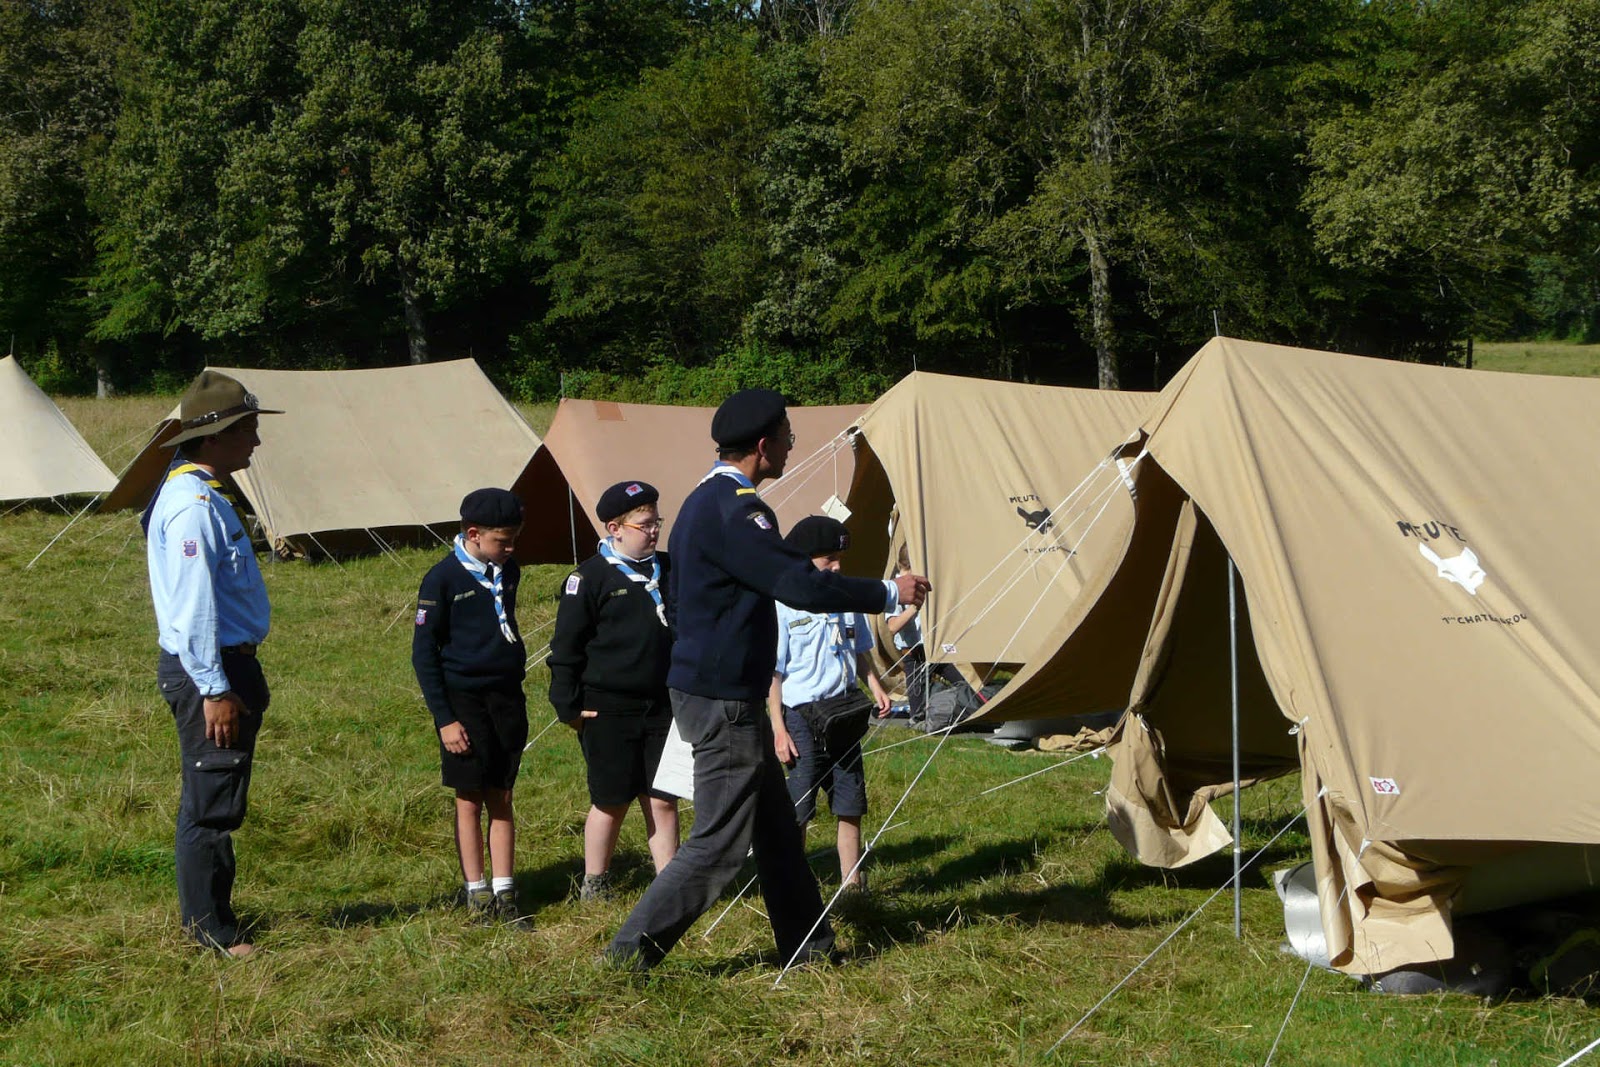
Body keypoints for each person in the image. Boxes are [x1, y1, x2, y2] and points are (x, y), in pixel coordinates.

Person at [604, 388, 931, 971]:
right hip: (724, 698)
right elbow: (800, 585)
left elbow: (679, 598)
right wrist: (887, 592)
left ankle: (810, 951)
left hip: (722, 689)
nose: (790, 445)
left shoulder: (704, 502)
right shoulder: (738, 509)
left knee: (778, 835)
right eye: (787, 435)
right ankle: (628, 956)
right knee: (720, 842)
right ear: (763, 445)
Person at [145, 370, 282, 957]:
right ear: (212, 438)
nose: (254, 441)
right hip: (213, 668)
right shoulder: (193, 505)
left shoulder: (205, 494)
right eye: (245, 429)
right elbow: (195, 604)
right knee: (212, 801)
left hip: (224, 665)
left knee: (214, 793)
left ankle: (209, 916)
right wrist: (215, 686)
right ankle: (210, 930)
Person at [548, 480, 679, 902]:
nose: (654, 530)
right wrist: (566, 705)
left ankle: (670, 884)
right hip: (607, 707)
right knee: (611, 797)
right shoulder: (588, 578)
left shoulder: (670, 568)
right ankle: (596, 881)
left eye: (657, 521)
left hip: (663, 703)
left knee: (662, 796)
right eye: (645, 524)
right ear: (615, 527)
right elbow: (565, 648)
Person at [412, 488, 532, 929]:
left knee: (502, 793)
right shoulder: (442, 580)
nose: (511, 549)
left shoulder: (508, 568)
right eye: (503, 541)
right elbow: (424, 655)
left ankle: (505, 891)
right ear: (473, 534)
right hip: (464, 702)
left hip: (506, 698)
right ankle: (476, 893)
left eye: (515, 539)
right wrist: (445, 719)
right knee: (470, 798)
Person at [769, 516, 891, 893]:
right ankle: (795, 882)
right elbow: (772, 673)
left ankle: (851, 881)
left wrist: (876, 685)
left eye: (840, 558)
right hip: (801, 716)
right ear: (806, 560)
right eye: (829, 560)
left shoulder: (844, 596)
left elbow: (858, 651)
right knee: (800, 802)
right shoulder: (784, 605)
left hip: (843, 711)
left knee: (850, 799)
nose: (838, 567)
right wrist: (778, 728)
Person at [887, 546, 966, 727]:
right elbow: (892, 627)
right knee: (917, 715)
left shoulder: (925, 583)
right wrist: (914, 608)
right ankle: (938, 707)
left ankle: (953, 710)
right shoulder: (896, 587)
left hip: (936, 649)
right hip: (914, 655)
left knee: (964, 685)